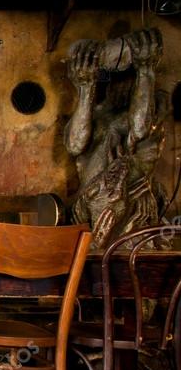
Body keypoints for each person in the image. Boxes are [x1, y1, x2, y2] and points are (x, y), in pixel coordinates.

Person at [64, 27, 169, 249]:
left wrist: (145, 70)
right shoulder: (97, 113)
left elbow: (140, 130)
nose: (118, 83)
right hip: (90, 212)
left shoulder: (155, 105)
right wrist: (86, 88)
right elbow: (75, 145)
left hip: (131, 213)